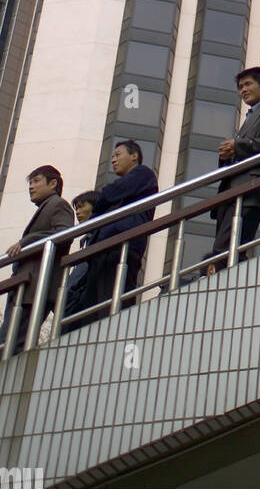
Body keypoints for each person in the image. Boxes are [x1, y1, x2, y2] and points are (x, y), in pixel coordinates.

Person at [208, 67, 260, 274]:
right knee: (230, 246)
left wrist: (238, 146)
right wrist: (227, 155)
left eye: (248, 84)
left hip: (252, 188)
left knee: (227, 247)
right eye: (240, 87)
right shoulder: (249, 117)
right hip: (233, 189)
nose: (243, 90)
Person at [0, 166, 74, 356]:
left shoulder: (58, 204)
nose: (31, 187)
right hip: (26, 289)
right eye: (30, 183)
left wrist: (26, 241)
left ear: (53, 183)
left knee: (13, 343)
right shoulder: (47, 206)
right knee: (8, 342)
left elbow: (64, 234)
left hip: (35, 289)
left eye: (36, 181)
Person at [79, 141, 159, 318]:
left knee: (113, 306)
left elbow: (108, 194)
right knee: (93, 310)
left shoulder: (143, 174)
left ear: (134, 156)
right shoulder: (124, 191)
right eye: (113, 156)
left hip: (122, 248)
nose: (113, 160)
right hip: (104, 251)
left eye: (117, 155)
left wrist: (102, 202)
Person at [59, 191, 98, 333]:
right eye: (76, 209)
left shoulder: (97, 236)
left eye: (82, 207)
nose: (78, 212)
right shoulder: (86, 239)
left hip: (81, 303)